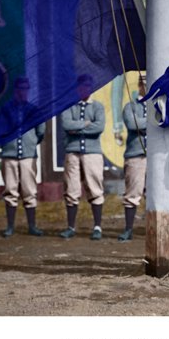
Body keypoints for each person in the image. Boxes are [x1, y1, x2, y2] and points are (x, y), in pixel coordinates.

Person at [0, 77, 46, 237]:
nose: (22, 92)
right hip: (9, 155)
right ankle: (10, 226)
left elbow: (41, 132)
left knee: (29, 190)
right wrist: (7, 145)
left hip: (28, 156)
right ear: (14, 91)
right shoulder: (5, 109)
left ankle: (32, 225)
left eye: (25, 89)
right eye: (19, 89)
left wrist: (30, 144)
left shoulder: (33, 110)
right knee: (10, 190)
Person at [59, 75, 107, 240]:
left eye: (88, 87)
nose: (84, 90)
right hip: (72, 152)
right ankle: (71, 227)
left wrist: (77, 127)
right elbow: (66, 124)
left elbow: (99, 127)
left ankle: (97, 227)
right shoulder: (69, 106)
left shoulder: (98, 107)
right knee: (71, 189)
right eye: (81, 87)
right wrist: (86, 124)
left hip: (92, 153)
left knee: (95, 188)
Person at [119, 73, 148, 242]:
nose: (145, 85)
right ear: (138, 85)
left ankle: (154, 228)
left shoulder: (156, 104)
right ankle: (128, 229)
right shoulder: (130, 106)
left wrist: (144, 123)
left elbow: (161, 120)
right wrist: (149, 123)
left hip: (155, 155)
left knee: (154, 193)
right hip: (135, 155)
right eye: (143, 83)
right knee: (132, 192)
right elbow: (132, 124)